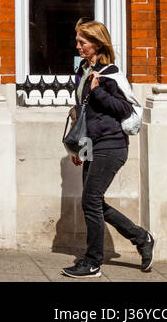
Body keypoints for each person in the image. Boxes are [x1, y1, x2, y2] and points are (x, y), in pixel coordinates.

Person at [61, 19, 155, 278]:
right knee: (93, 202)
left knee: (90, 200)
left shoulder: (110, 74)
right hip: (91, 144)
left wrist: (99, 92)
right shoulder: (83, 70)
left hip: (111, 145)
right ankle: (141, 238)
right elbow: (84, 110)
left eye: (83, 42)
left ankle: (92, 262)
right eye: (78, 41)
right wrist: (78, 148)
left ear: (97, 44)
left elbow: (126, 109)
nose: (78, 46)